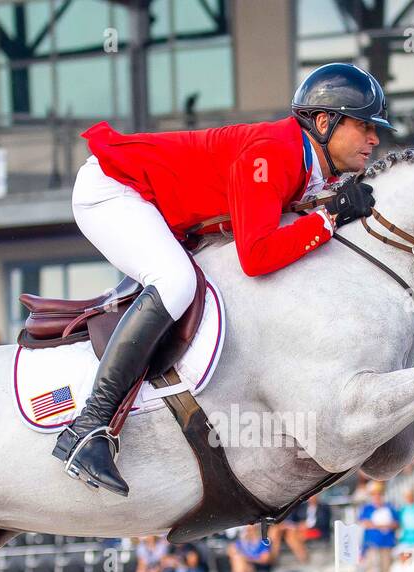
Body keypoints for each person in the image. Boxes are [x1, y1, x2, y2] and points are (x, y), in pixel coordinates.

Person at [52, 63, 390, 495]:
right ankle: (89, 426)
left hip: (151, 200)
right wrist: (330, 217)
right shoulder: (273, 152)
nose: (375, 138)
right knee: (174, 282)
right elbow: (257, 255)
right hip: (112, 189)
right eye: (364, 126)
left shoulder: (305, 161)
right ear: (324, 123)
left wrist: (326, 212)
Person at [358, 483, 398, 572]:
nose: (377, 497)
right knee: (373, 571)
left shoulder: (389, 507)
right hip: (372, 544)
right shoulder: (367, 508)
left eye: (378, 494)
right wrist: (383, 525)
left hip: (387, 544)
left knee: (386, 569)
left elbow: (395, 523)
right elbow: (365, 523)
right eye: (374, 494)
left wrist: (377, 525)